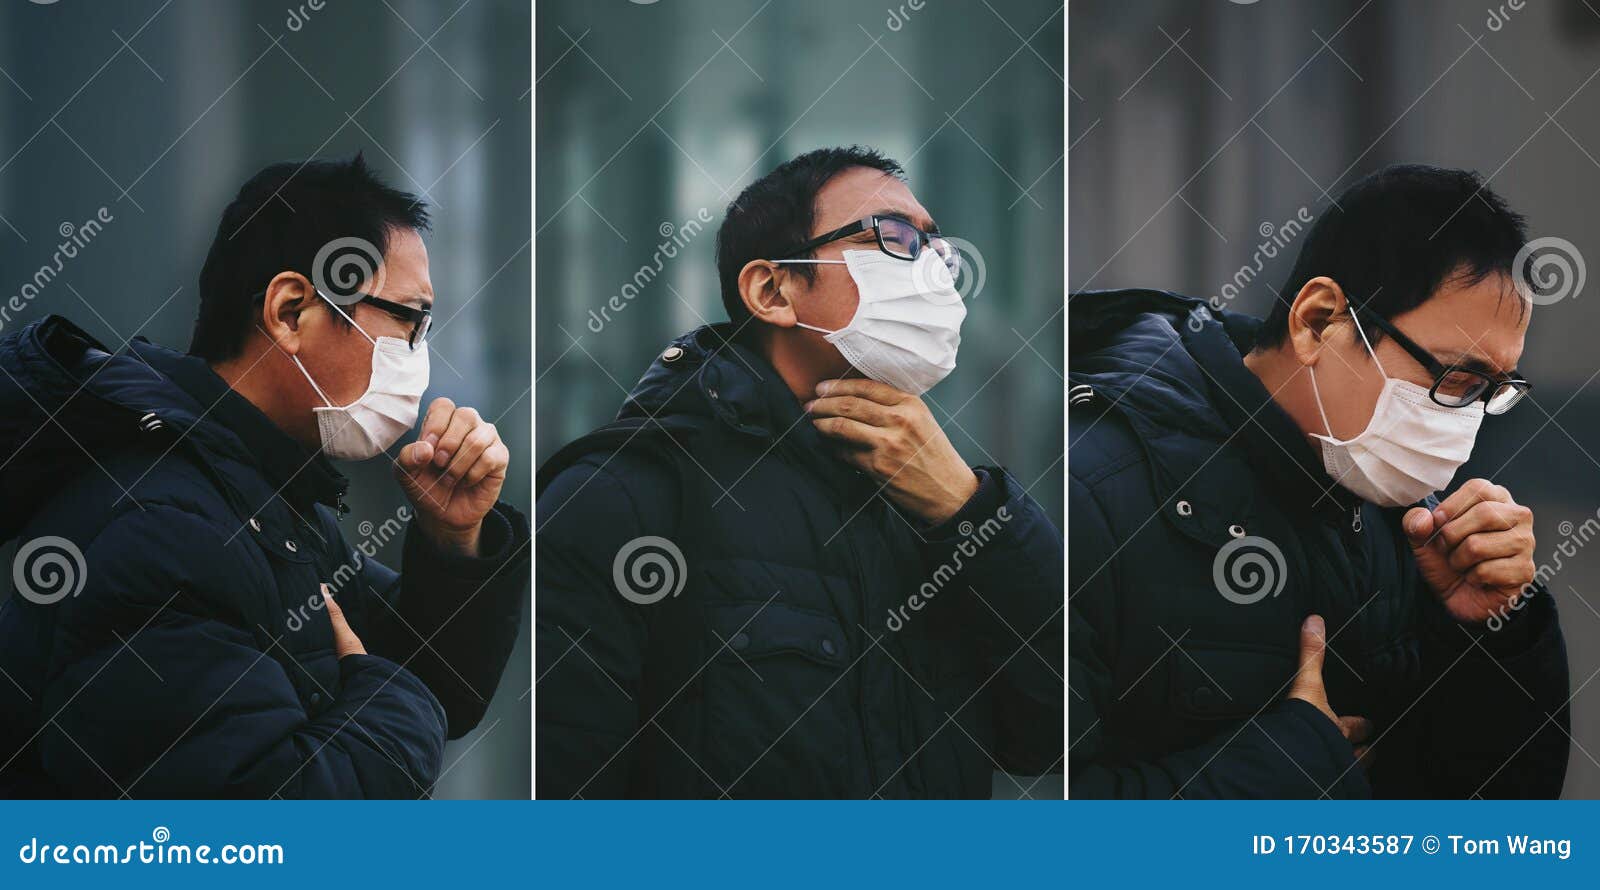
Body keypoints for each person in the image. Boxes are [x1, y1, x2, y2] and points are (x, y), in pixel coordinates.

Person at [536, 146, 1063, 798]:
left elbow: (1057, 734)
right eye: (896, 237)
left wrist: (973, 511)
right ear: (772, 290)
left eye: (938, 250)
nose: (933, 270)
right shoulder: (625, 497)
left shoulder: (935, 501)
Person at [0, 155, 528, 798]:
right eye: (408, 320)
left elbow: (431, 683)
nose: (420, 355)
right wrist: (386, 697)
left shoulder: (262, 495)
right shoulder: (162, 528)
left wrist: (453, 540)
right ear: (290, 311)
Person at [1068, 164, 1570, 798]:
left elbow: (1487, 829)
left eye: (1492, 392)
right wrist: (1287, 771)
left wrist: (1495, 633)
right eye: (1455, 380)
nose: (1464, 422)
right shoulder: (1091, 487)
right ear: (1318, 321)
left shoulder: (1407, 518)